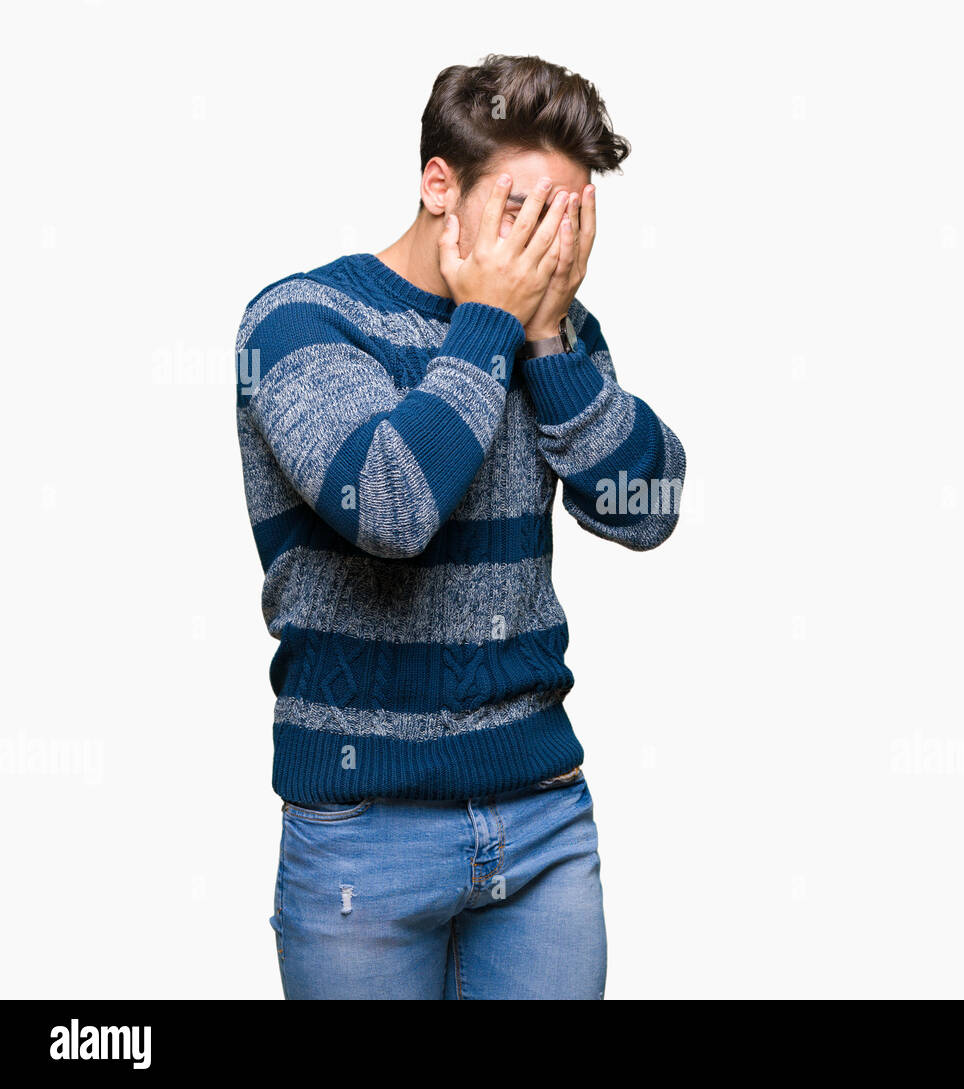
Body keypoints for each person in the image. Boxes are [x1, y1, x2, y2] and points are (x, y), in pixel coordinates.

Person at [234, 54, 685, 999]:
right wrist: (487, 327)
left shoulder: (548, 326)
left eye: (567, 216)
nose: (544, 245)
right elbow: (389, 505)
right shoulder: (301, 319)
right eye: (520, 208)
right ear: (440, 184)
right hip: (364, 829)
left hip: (542, 822)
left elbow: (649, 505)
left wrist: (551, 345)